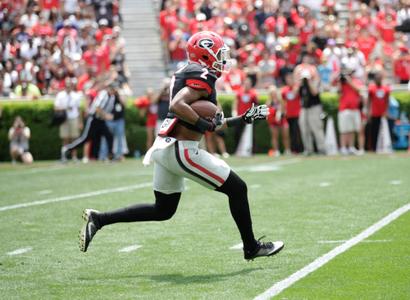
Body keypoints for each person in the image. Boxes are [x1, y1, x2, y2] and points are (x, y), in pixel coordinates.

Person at [79, 31, 284, 261]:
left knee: (163, 210)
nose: (221, 58)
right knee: (237, 188)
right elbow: (179, 106)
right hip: (182, 149)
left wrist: (243, 118)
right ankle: (251, 247)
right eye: (217, 53)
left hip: (166, 147)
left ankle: (99, 219)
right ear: (205, 55)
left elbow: (212, 123)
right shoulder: (202, 73)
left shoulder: (191, 72)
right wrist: (203, 124)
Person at [61, 83, 115, 162]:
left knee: (107, 136)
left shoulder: (112, 97)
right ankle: (67, 149)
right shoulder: (104, 94)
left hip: (101, 120)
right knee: (85, 138)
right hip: (94, 119)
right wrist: (106, 116)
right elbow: (97, 108)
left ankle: (106, 156)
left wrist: (106, 116)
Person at [294, 53, 326, 155]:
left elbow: (314, 92)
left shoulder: (315, 78)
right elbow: (295, 93)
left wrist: (309, 81)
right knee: (304, 128)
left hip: (314, 107)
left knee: (316, 128)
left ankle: (321, 148)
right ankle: (308, 149)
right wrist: (300, 82)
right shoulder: (300, 82)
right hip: (304, 107)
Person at [54, 78, 83, 161]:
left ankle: (74, 157)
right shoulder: (60, 95)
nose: (68, 86)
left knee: (74, 138)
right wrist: (65, 108)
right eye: (67, 85)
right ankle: (64, 156)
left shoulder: (76, 95)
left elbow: (79, 109)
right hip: (64, 119)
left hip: (74, 118)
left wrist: (80, 121)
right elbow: (56, 107)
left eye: (69, 85)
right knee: (65, 138)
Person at [337, 68, 364, 155]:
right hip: (344, 109)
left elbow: (358, 90)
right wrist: (340, 83)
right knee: (344, 130)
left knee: (352, 129)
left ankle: (351, 147)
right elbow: (338, 93)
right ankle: (343, 147)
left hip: (354, 109)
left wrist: (349, 81)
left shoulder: (356, 81)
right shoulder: (342, 83)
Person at [367, 72, 390, 151]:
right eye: (377, 79)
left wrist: (386, 111)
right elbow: (369, 101)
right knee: (374, 131)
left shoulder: (386, 89)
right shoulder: (371, 88)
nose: (378, 80)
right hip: (374, 113)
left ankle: (386, 146)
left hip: (382, 113)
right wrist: (369, 112)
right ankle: (373, 148)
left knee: (384, 130)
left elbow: (387, 101)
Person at [267, 85, 290, 157]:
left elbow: (284, 110)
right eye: (272, 93)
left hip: (282, 120)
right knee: (274, 137)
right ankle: (276, 151)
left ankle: (287, 150)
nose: (273, 94)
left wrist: (280, 113)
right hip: (273, 122)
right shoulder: (269, 102)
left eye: (274, 92)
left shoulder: (281, 100)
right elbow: (267, 112)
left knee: (285, 136)